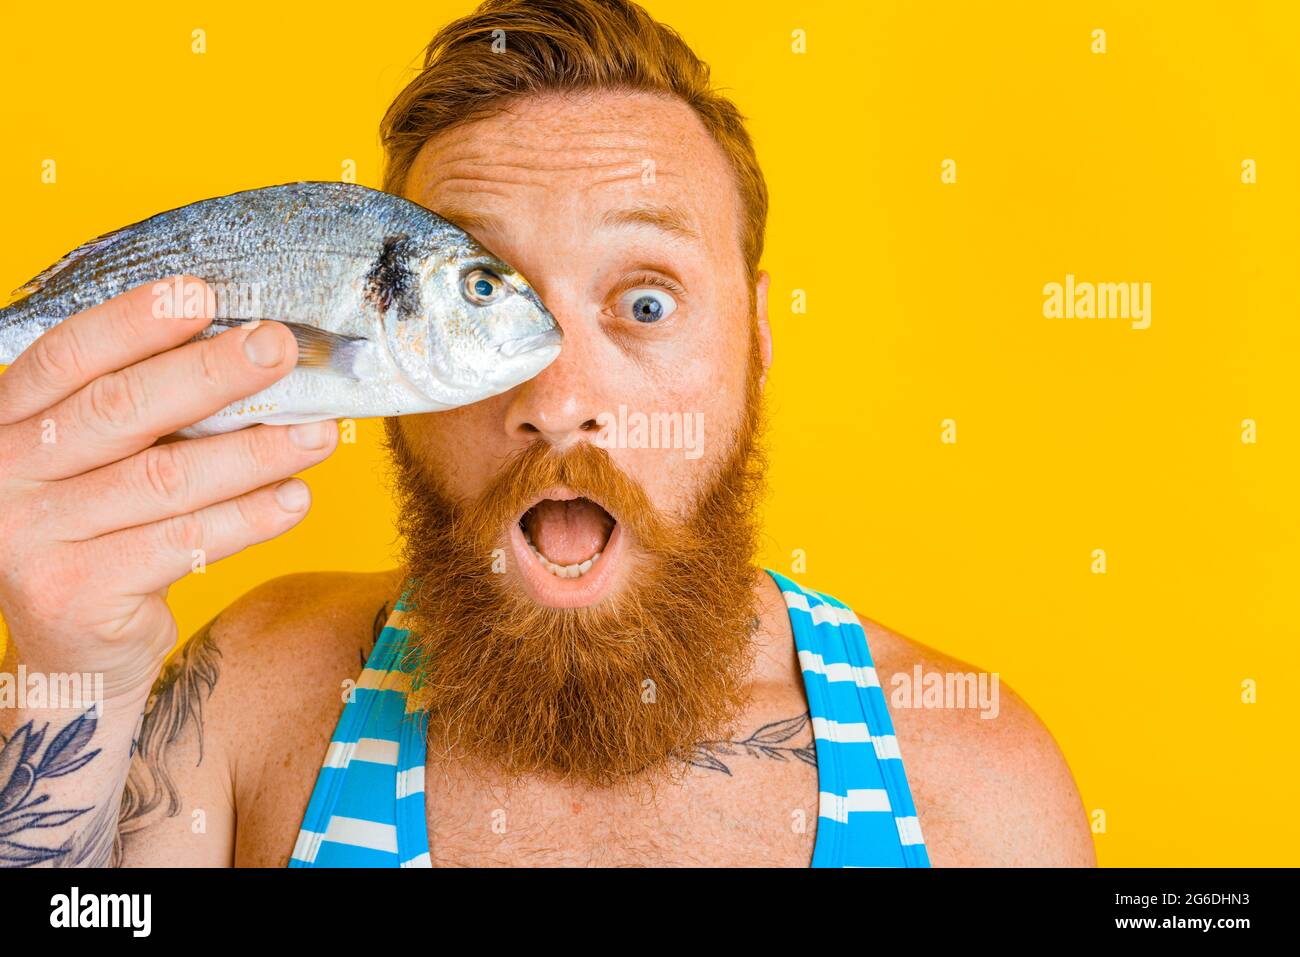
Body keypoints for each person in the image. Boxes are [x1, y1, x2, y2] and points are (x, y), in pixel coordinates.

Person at [0, 0, 1094, 867]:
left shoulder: (975, 784)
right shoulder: (254, 698)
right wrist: (70, 676)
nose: (558, 397)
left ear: (756, 339)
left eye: (647, 303)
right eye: (489, 293)